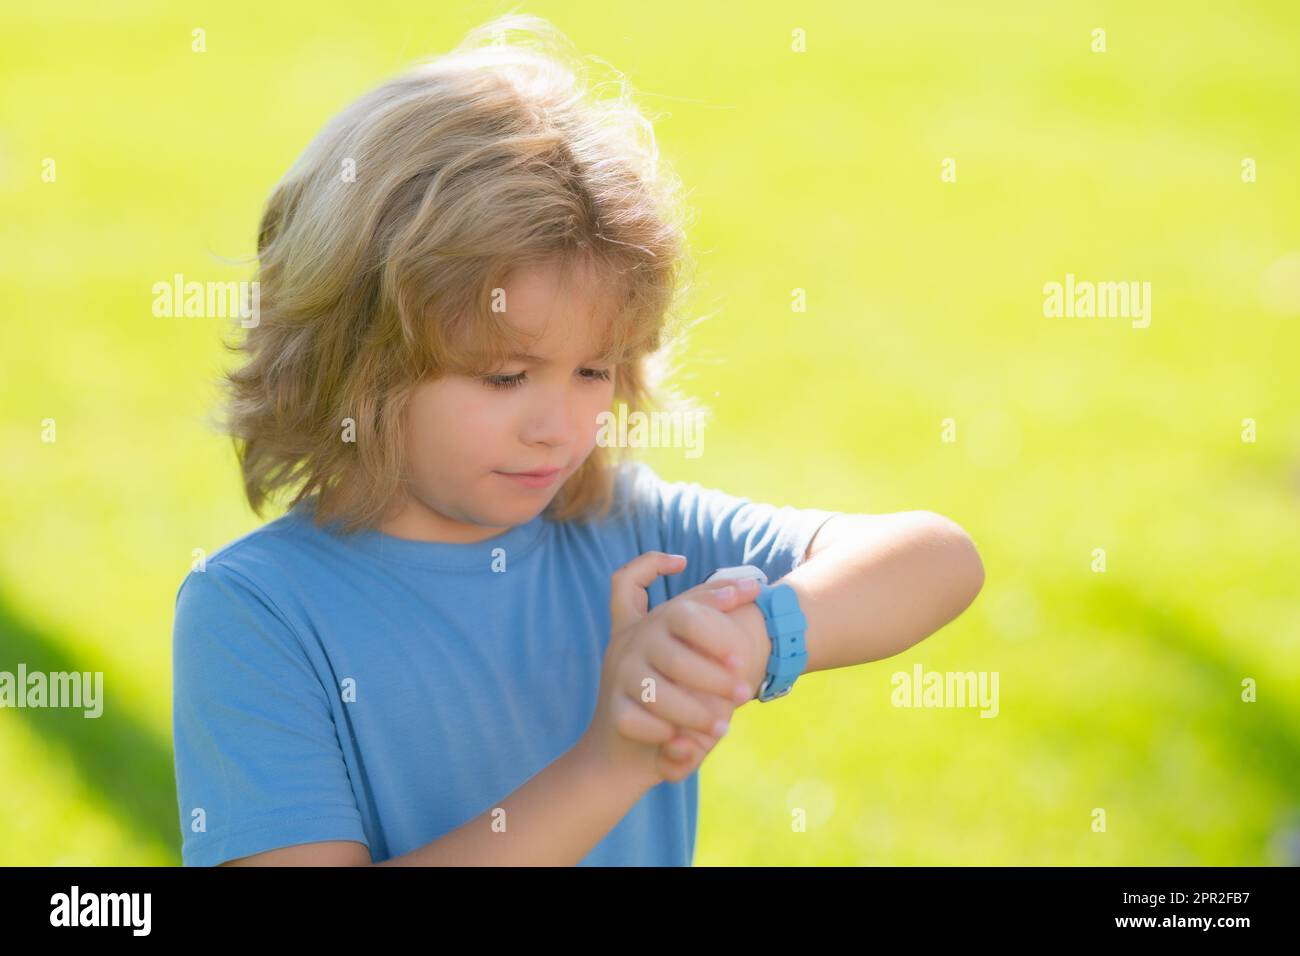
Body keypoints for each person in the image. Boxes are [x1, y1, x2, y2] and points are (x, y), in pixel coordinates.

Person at [171, 13, 984, 867]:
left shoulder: (631, 534)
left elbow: (937, 558)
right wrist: (611, 764)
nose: (558, 427)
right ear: (355, 361)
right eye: (505, 378)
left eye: (594, 371)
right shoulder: (255, 613)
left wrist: (751, 639)